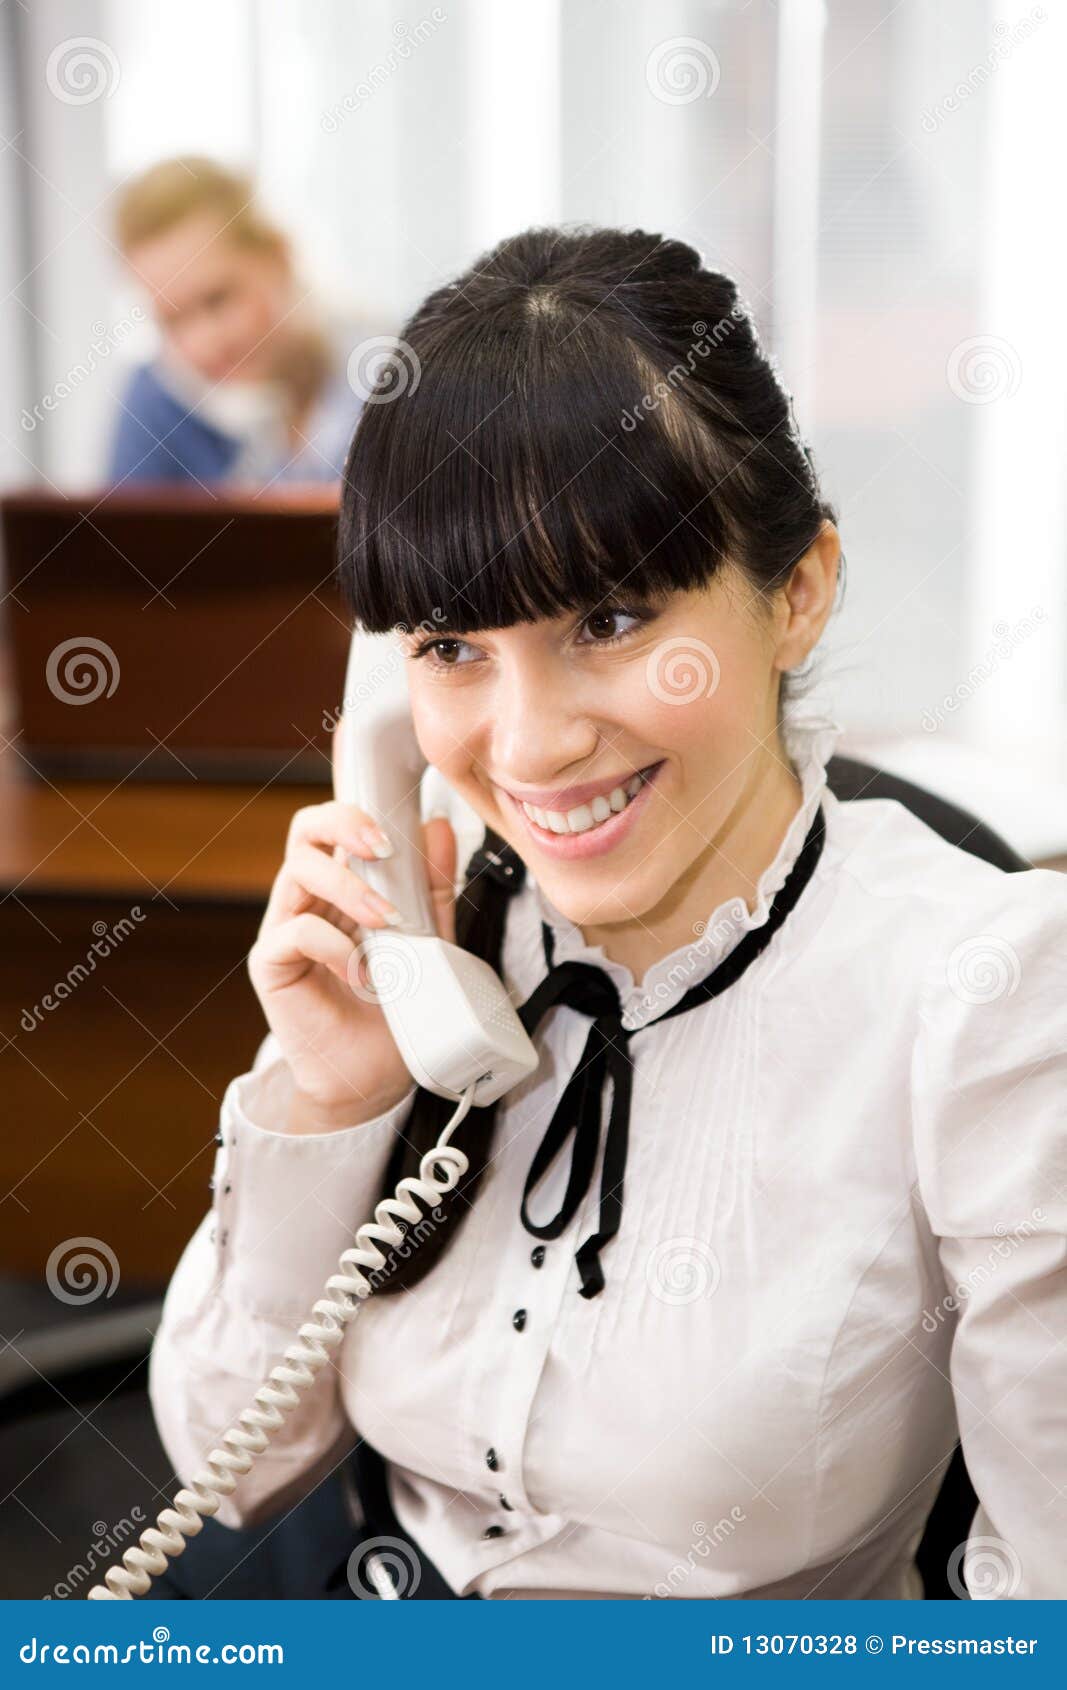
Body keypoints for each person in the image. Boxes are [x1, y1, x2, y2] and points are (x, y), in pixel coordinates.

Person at [144, 228, 1067, 1601]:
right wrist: (332, 1103)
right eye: (453, 647)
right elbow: (225, 1459)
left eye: (613, 617)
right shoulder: (429, 953)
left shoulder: (976, 994)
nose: (526, 746)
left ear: (795, 591)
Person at [107, 155, 365, 488]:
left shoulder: (389, 372)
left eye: (217, 299)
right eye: (172, 322)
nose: (203, 345)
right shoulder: (156, 405)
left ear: (279, 257)